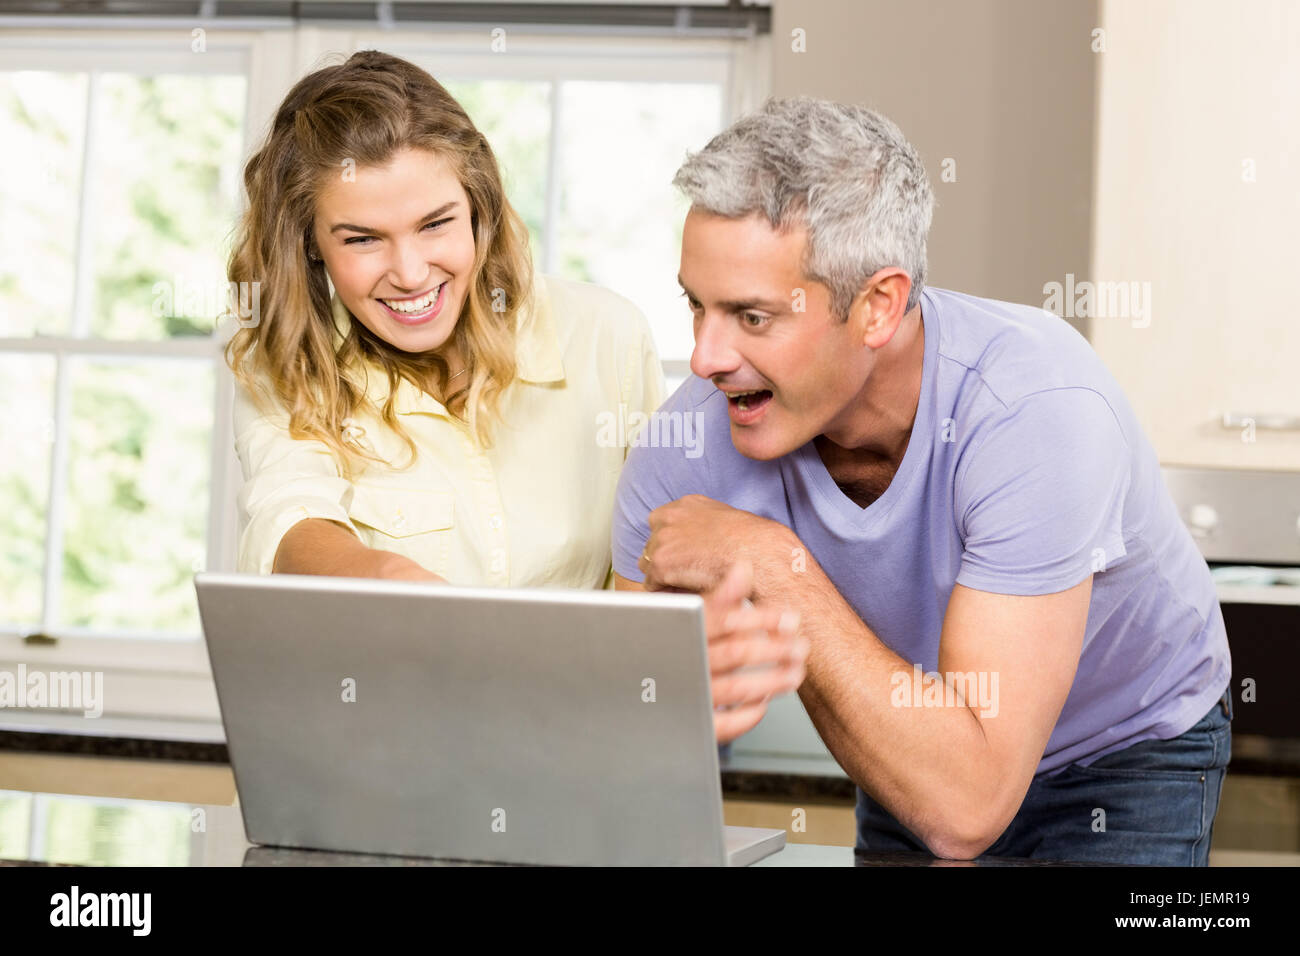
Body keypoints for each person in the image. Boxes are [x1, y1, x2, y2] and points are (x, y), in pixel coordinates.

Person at [612, 96, 1232, 863]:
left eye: (752, 316)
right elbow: (620, 731)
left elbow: (964, 811)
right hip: (921, 738)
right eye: (695, 305)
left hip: (1122, 749)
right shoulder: (688, 447)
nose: (705, 357)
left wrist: (775, 568)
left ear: (878, 307)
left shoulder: (1035, 409)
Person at [223, 50, 807, 743]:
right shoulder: (286, 367)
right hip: (381, 754)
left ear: (479, 208)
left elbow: (659, 554)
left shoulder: (605, 335)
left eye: (436, 224)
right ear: (312, 246)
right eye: (362, 240)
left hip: (588, 747)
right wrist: (386, 578)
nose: (410, 273)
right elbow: (290, 525)